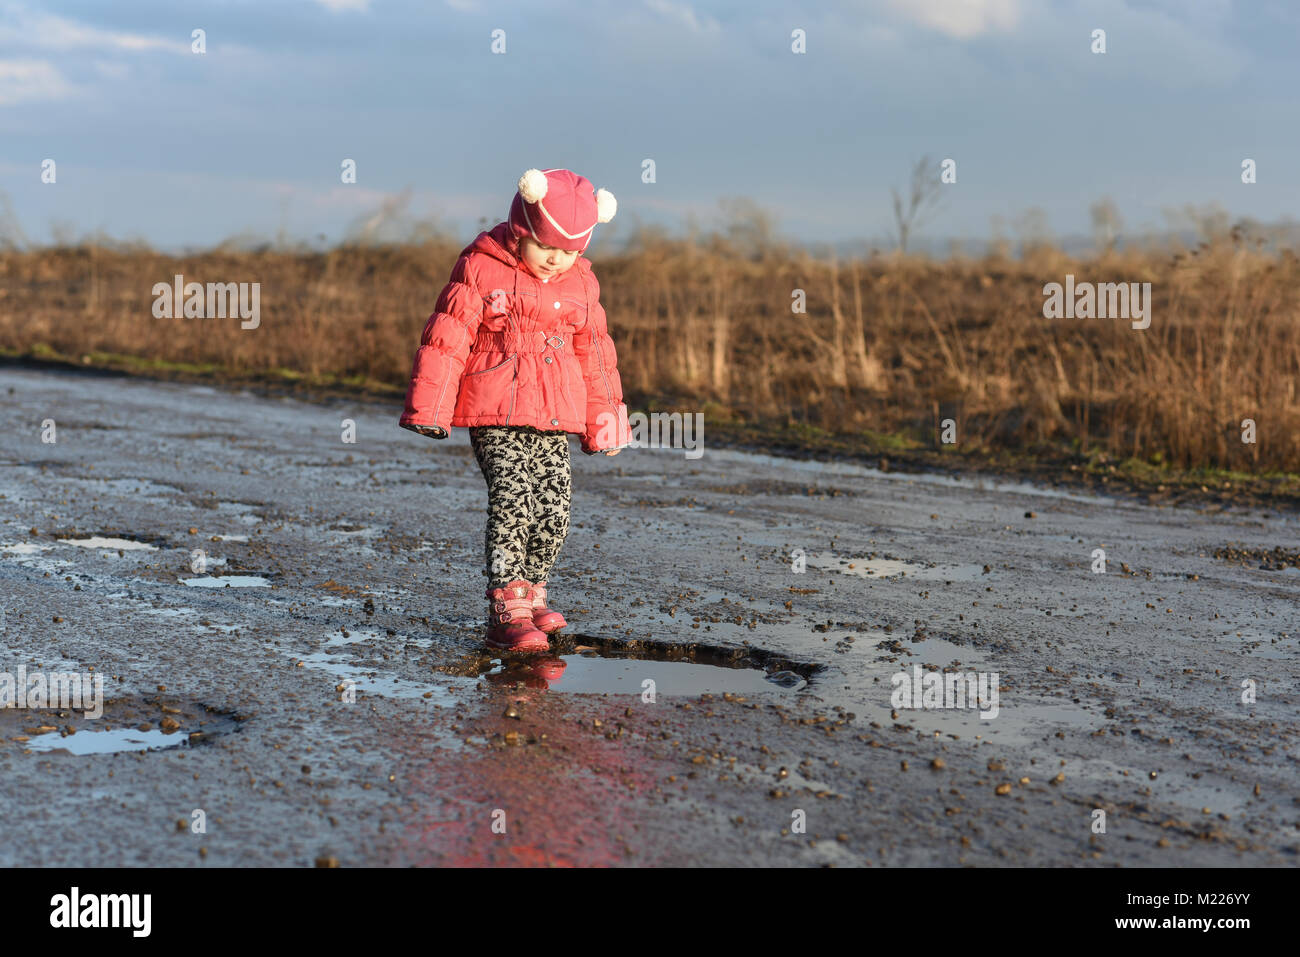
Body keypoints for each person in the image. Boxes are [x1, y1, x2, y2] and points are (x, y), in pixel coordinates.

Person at [398, 168, 632, 653]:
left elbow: (596, 355)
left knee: (554, 505)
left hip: (553, 416)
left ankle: (532, 591)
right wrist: (430, 407)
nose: (556, 259)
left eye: (569, 251)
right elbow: (448, 336)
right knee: (513, 496)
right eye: (546, 246)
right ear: (522, 229)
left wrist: (605, 420)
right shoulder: (482, 267)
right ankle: (506, 607)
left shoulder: (582, 284)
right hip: (494, 410)